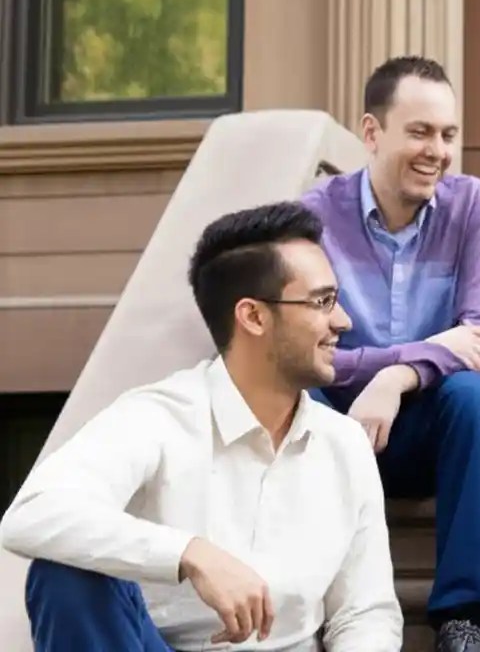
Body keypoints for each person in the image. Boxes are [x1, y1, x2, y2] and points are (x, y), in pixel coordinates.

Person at [0, 202, 402, 651]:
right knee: (66, 575)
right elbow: (31, 513)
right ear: (252, 316)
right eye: (321, 301)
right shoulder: (157, 417)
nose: (342, 320)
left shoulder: (343, 443)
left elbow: (365, 613)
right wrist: (189, 553)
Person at [300, 55, 480, 650]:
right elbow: (306, 350)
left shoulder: (474, 207)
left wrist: (397, 377)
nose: (437, 151)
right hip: (337, 430)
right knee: (296, 391)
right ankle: (305, 601)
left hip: (424, 430)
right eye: (419, 132)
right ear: (371, 132)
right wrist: (432, 348)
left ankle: (464, 620)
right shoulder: (316, 216)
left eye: (448, 135)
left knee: (474, 394)